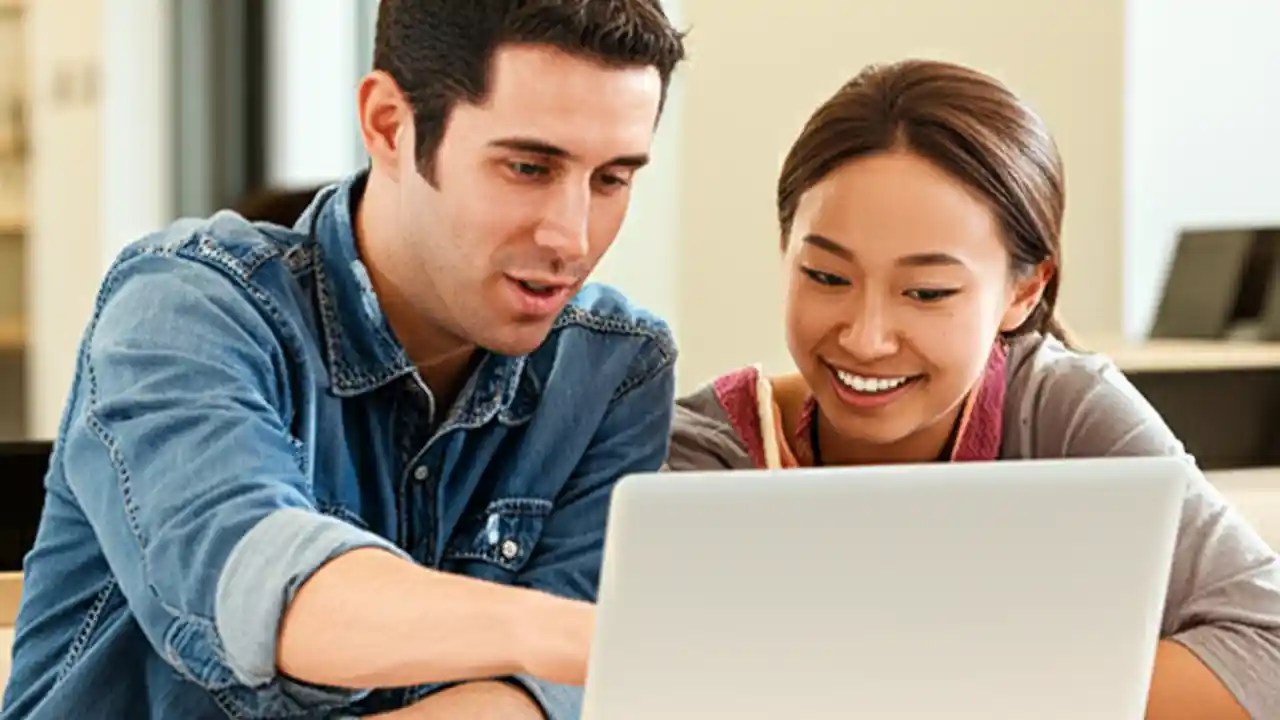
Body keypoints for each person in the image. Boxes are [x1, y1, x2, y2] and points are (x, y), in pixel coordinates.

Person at [3, 1, 684, 718]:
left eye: (612, 179)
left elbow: (548, 697)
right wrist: (587, 635)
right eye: (527, 167)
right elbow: (271, 594)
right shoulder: (181, 308)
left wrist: (570, 654)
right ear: (389, 124)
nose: (572, 238)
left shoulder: (615, 368)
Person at [667, 59, 1280, 719]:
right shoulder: (707, 456)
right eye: (826, 276)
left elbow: (1265, 649)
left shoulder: (1060, 411)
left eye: (927, 292)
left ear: (1023, 291)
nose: (867, 337)